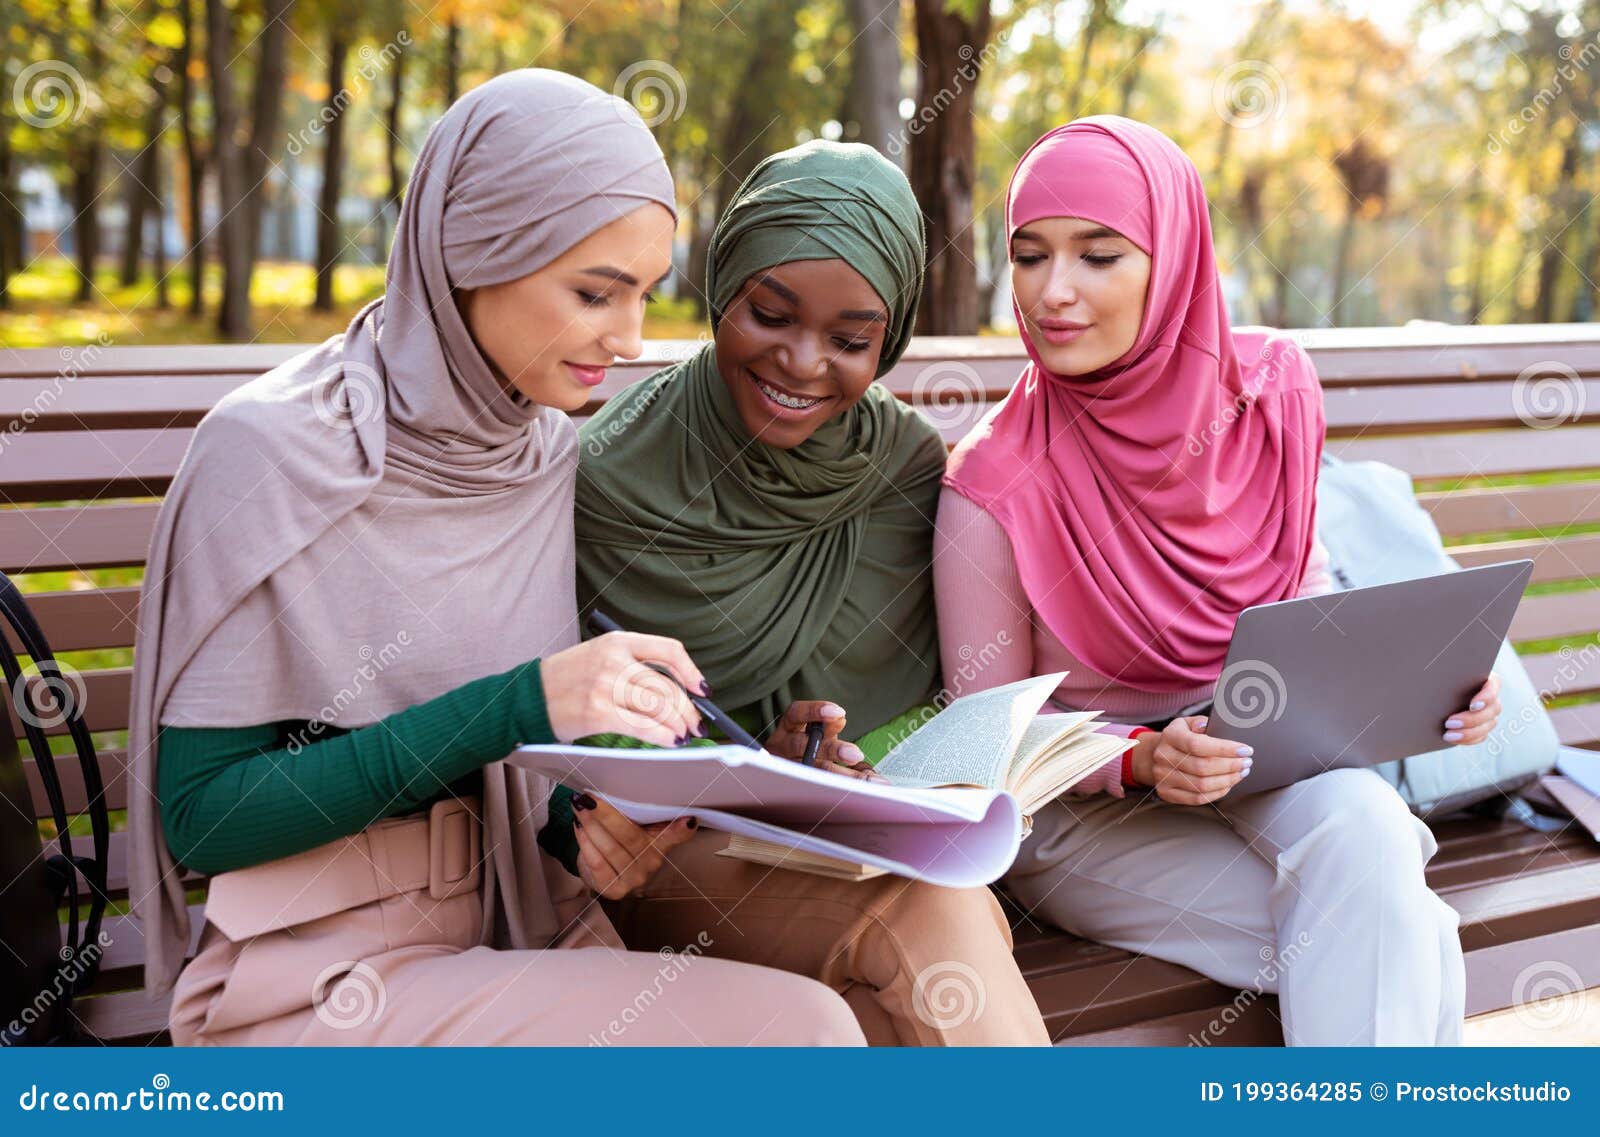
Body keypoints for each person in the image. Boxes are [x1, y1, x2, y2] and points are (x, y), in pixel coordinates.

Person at [128, 70, 866, 1047]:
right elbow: (204, 820)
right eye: (594, 292)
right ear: (469, 253)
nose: (632, 337)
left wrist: (584, 829)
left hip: (518, 924)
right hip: (315, 975)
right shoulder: (268, 450)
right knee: (797, 1038)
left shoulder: (536, 451)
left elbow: (499, 764)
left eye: (644, 294)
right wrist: (526, 702)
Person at [934, 116, 1500, 1046]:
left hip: (1263, 751)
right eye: (1029, 256)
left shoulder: (1271, 390)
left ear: (1176, 260)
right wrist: (1142, 757)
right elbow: (980, 740)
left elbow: (1309, 599)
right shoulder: (993, 482)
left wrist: (1432, 691)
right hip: (1083, 817)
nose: (1054, 292)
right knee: (1404, 929)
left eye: (1100, 256)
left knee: (1370, 831)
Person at [569, 140, 1052, 1046]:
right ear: (725, 290)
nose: (799, 361)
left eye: (849, 340)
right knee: (924, 917)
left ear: (890, 339)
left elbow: (925, 712)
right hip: (666, 879)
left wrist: (830, 763)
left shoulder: (901, 466)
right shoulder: (618, 476)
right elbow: (583, 747)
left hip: (857, 867)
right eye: (769, 314)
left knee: (876, 1010)